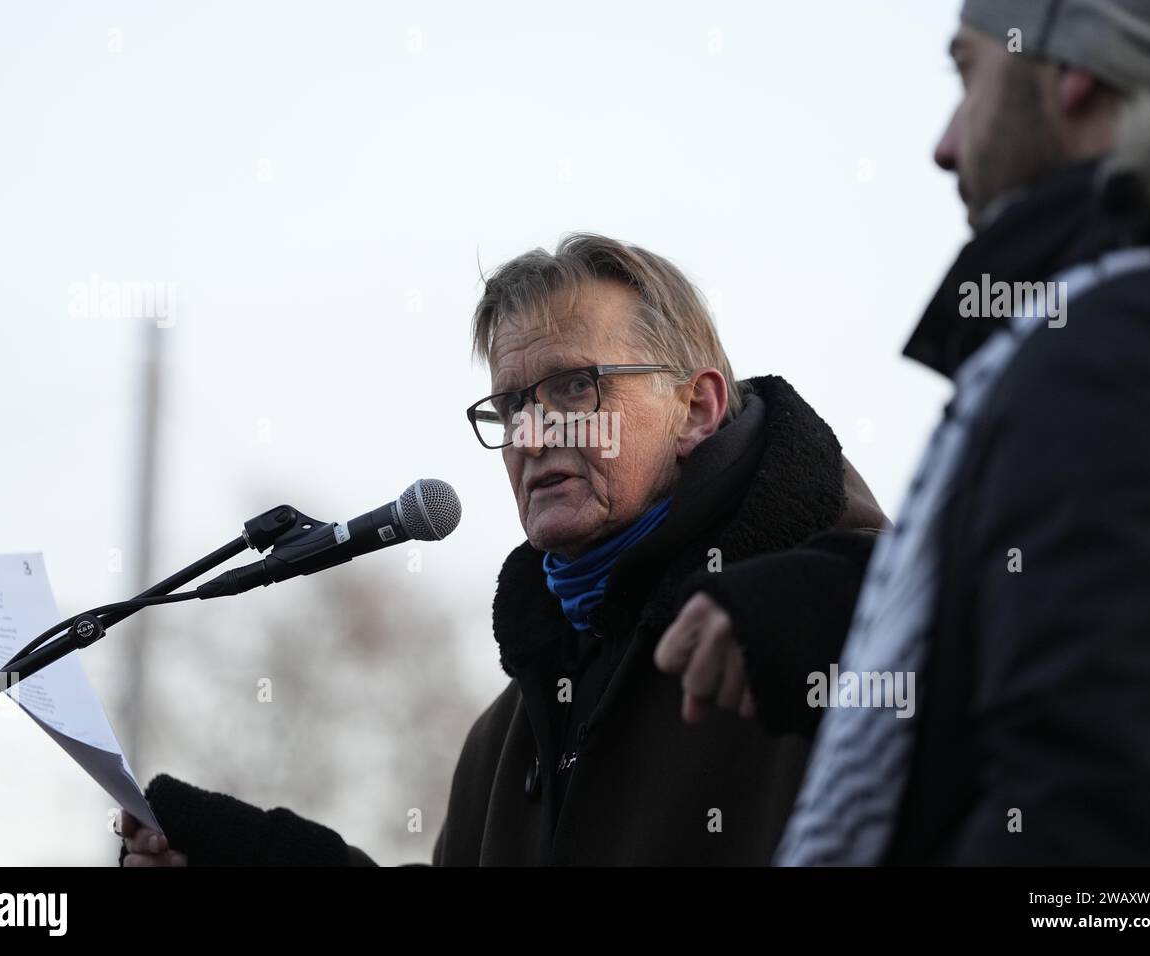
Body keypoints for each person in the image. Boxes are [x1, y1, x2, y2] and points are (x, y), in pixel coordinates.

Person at [118, 233, 886, 866]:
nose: (530, 433)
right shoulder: (510, 730)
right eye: (512, 403)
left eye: (575, 388)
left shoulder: (840, 618)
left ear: (696, 408)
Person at [659, 0, 1150, 865]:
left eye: (969, 73)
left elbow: (1106, 840)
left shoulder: (1113, 352)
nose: (945, 144)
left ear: (1076, 71)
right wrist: (844, 603)